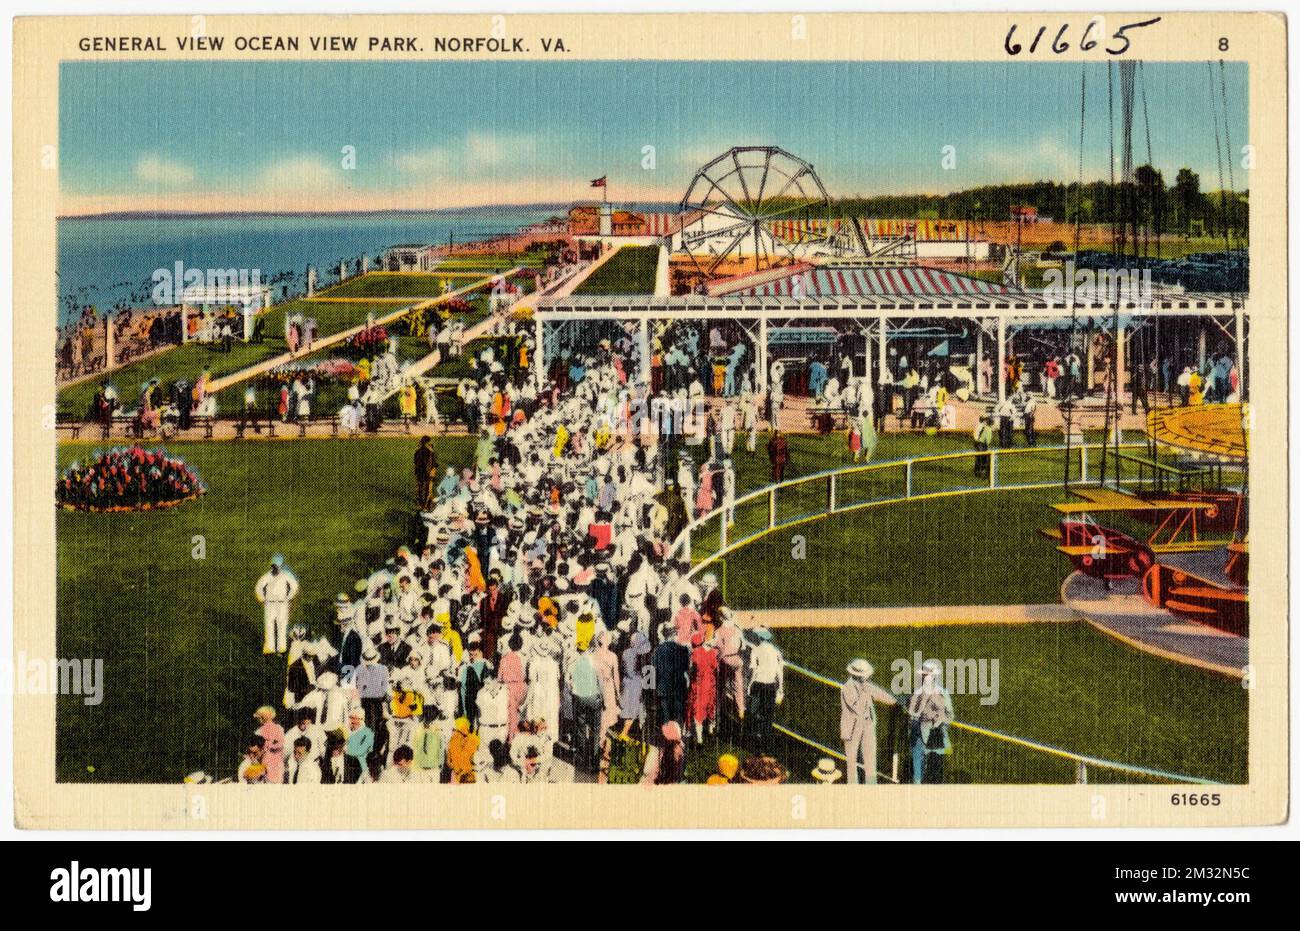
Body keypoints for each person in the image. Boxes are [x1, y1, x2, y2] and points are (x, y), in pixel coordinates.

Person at [906, 660, 954, 784]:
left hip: (934, 735)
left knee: (934, 769)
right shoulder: (917, 692)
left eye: (927, 675)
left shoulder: (942, 693)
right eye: (924, 675)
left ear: (934, 677)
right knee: (917, 769)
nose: (925, 677)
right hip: (918, 734)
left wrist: (939, 720)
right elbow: (910, 711)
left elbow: (950, 715)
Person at [841, 659, 877, 785]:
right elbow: (858, 708)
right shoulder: (847, 688)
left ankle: (872, 787)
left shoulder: (865, 685)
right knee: (851, 762)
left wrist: (896, 702)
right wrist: (866, 691)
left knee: (870, 760)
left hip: (867, 725)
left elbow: (879, 693)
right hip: (852, 728)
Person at [747, 626, 783, 752]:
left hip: (758, 684)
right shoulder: (776, 651)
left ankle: (756, 741)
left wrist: (750, 685)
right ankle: (766, 743)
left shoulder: (756, 650)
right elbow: (779, 671)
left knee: (755, 712)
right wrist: (781, 688)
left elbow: (753, 671)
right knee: (768, 714)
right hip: (771, 685)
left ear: (759, 638)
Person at [255, 554, 299, 655]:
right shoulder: (267, 576)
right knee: (269, 625)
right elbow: (259, 587)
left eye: (277, 566)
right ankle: (269, 648)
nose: (275, 568)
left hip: (282, 604)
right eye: (273, 566)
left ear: (280, 566)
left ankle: (282, 649)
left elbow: (294, 586)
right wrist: (262, 598)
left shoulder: (286, 575)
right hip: (270, 604)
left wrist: (289, 597)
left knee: (282, 626)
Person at [253, 706, 285, 784]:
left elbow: (280, 744)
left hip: (275, 761)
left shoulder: (278, 728)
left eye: (260, 717)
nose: (259, 720)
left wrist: (268, 745)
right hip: (267, 760)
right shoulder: (259, 731)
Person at [414, 437, 437, 510]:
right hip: (426, 473)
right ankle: (425, 505)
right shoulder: (430, 452)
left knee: (422, 489)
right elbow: (433, 464)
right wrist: (432, 472)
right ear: (427, 443)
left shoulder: (418, 451)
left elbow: (415, 463)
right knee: (427, 489)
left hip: (422, 473)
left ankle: (425, 505)